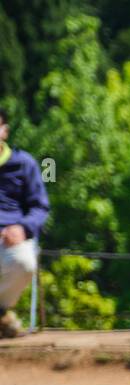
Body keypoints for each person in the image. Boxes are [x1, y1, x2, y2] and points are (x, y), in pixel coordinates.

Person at [0, 110, 48, 339]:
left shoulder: (25, 163)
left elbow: (40, 207)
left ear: (5, 131)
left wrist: (23, 228)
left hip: (13, 239)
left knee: (25, 263)